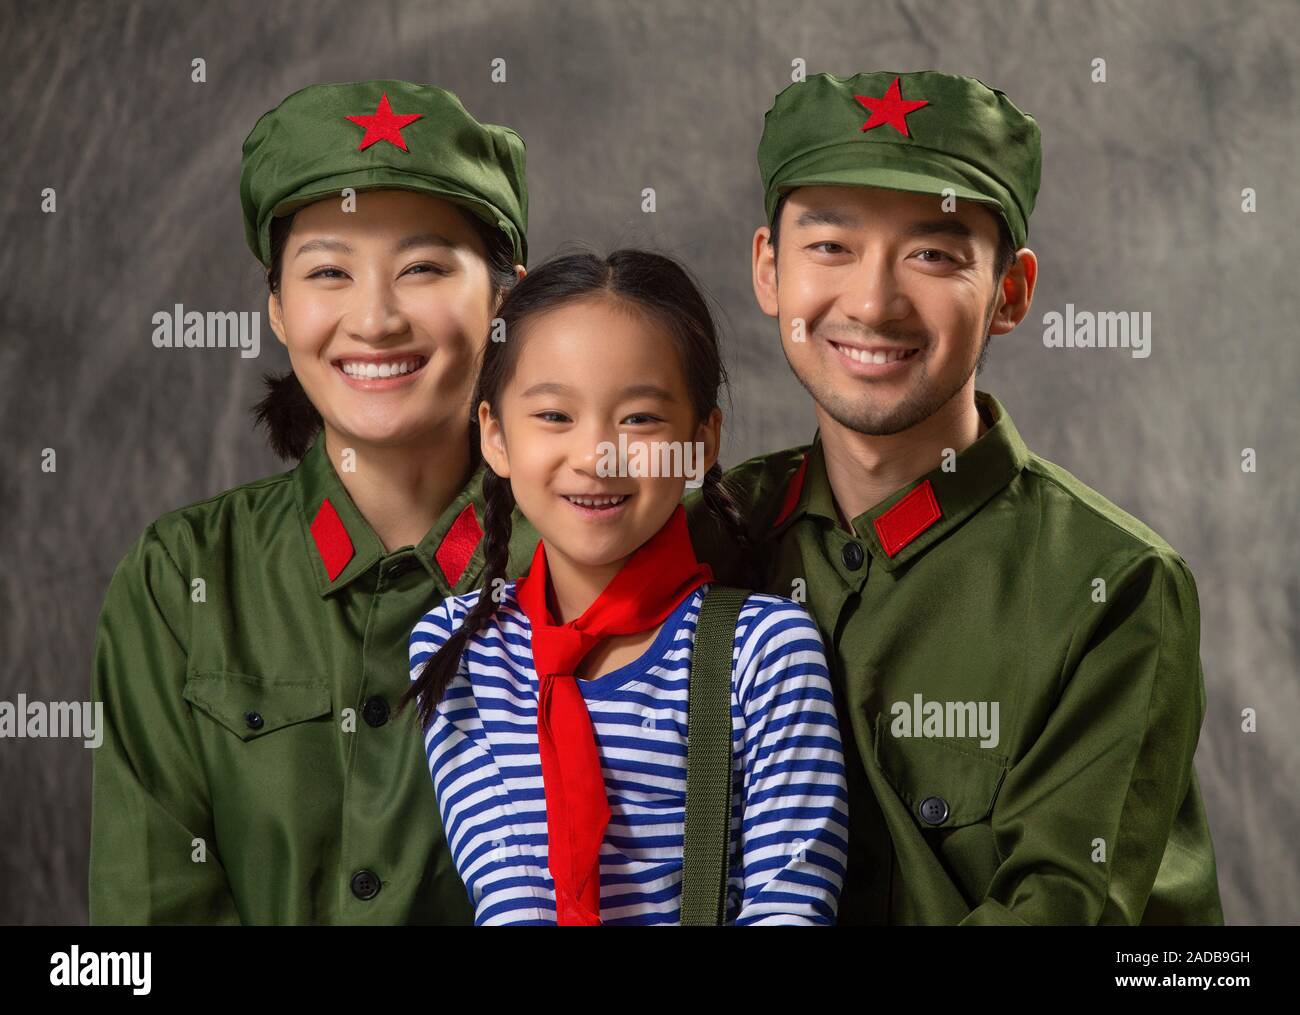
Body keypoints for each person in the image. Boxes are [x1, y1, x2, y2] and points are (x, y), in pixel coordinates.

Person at [686, 69, 1224, 924]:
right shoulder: (699, 537)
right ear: (768, 270)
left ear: (1010, 292)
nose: (873, 301)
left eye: (933, 253)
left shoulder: (1114, 586)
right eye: (830, 246)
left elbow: (1056, 909)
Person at [89, 79, 540, 923]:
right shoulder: (181, 581)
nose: (373, 319)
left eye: (423, 267)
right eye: (328, 270)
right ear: (278, 309)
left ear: (507, 298)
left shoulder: (592, 556)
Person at [402, 249, 849, 925]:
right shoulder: (458, 650)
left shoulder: (765, 651)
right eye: (554, 416)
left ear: (700, 444)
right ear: (495, 435)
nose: (596, 455)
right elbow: (510, 899)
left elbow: (791, 906)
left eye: (639, 418)